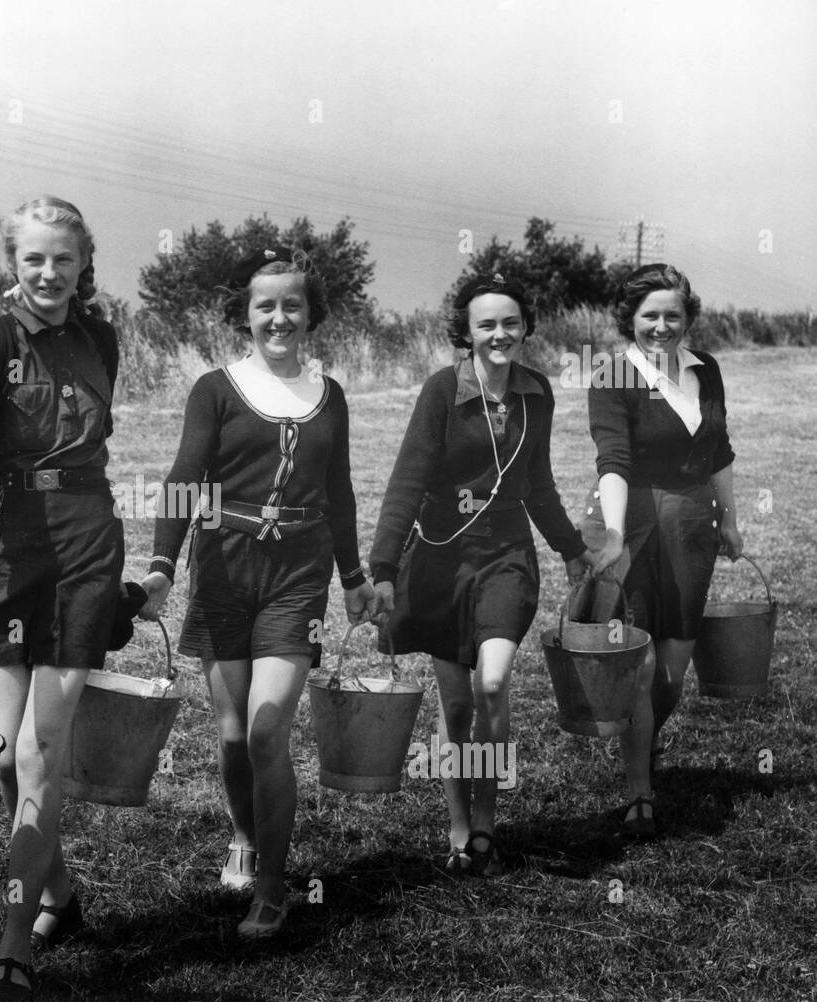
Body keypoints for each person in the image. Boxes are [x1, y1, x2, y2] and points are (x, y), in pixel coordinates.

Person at [140, 246, 373, 941]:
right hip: (223, 572)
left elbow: (340, 493)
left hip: (297, 579)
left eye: (292, 304)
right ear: (245, 315)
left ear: (312, 314)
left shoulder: (331, 396)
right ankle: (243, 834)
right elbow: (185, 478)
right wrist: (161, 565)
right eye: (264, 305)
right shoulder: (215, 388)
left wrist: (355, 578)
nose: (279, 316)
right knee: (234, 731)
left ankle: (272, 888)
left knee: (269, 728)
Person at [0, 196, 127, 1002]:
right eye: (34, 259)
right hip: (6, 549)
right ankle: (63, 893)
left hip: (84, 544)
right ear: (12, 262)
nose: (50, 273)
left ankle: (16, 947)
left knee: (41, 751)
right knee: (1, 753)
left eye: (65, 259)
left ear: (85, 262)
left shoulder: (102, 338)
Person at [369, 273, 592, 876]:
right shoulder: (442, 391)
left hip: (505, 558)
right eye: (486, 324)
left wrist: (570, 548)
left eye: (510, 322)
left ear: (525, 327)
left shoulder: (537, 392)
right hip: (441, 559)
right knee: (456, 703)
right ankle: (458, 825)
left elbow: (539, 483)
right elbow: (407, 482)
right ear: (465, 333)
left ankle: (488, 822)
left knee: (493, 684)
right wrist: (383, 568)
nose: (499, 334)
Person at [586, 263, 742, 837]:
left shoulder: (708, 370)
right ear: (630, 319)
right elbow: (613, 461)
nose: (661, 325)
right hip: (632, 518)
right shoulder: (612, 373)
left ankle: (644, 745)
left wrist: (730, 519)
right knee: (640, 657)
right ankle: (639, 792)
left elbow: (719, 448)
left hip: (692, 523)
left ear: (688, 317)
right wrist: (614, 533)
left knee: (672, 671)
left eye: (672, 314)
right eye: (649, 315)